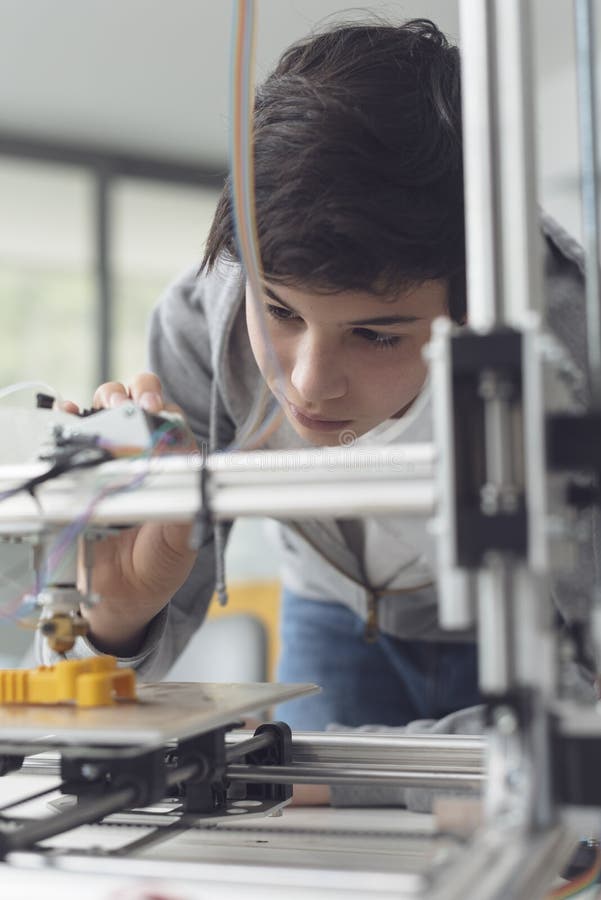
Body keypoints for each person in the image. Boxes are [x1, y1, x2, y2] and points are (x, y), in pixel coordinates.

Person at [44, 19, 595, 806]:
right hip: (333, 613)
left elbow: (590, 697)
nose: (306, 383)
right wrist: (119, 622)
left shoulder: (570, 344)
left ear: (473, 310)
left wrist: (339, 778)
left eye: (374, 333)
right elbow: (115, 674)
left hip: (520, 627)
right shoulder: (200, 326)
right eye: (281, 311)